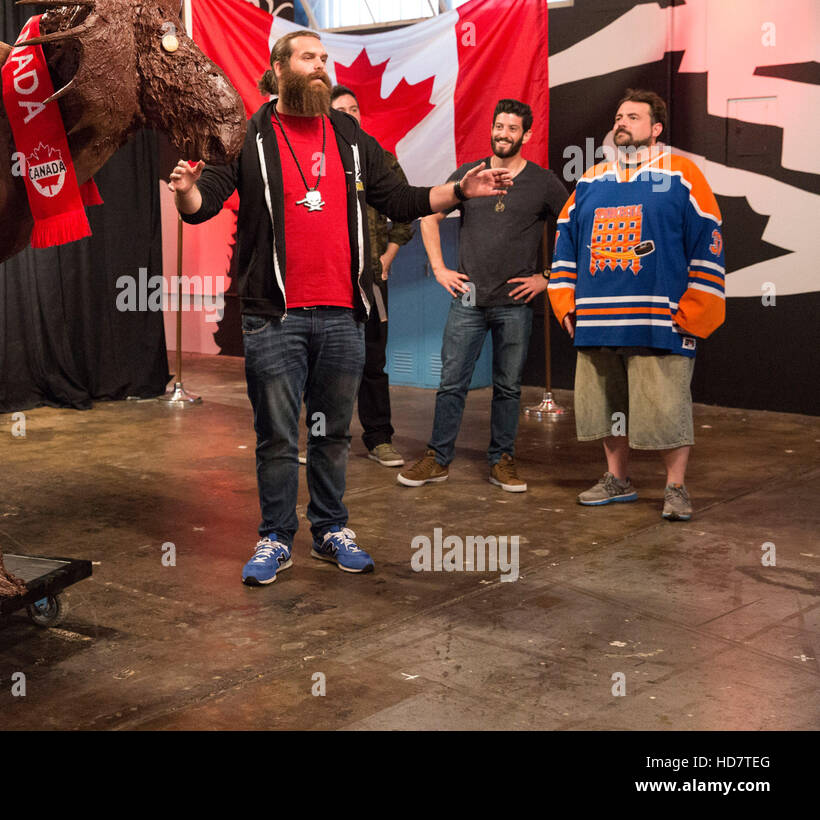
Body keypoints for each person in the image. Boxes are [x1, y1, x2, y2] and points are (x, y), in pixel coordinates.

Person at [165, 30, 512, 585]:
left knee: (329, 434)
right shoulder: (248, 135)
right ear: (279, 68)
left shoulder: (349, 136)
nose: (323, 66)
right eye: (310, 58)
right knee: (278, 436)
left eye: (326, 58)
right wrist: (185, 189)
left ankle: (330, 529)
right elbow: (202, 204)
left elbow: (397, 199)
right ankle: (275, 538)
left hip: (342, 314)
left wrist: (459, 193)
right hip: (273, 317)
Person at [548, 89, 724, 521]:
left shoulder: (682, 174)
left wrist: (697, 306)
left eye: (633, 116)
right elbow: (565, 243)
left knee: (667, 408)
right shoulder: (589, 181)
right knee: (608, 408)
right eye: (619, 115)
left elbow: (710, 238)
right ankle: (617, 479)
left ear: (656, 128)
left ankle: (676, 487)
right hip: (598, 320)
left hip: (658, 318)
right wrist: (566, 303)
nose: (622, 122)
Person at [398, 99, 567, 493]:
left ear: (526, 135)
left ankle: (502, 460)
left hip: (515, 304)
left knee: (508, 387)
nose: (502, 134)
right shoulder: (470, 174)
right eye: (498, 126)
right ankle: (438, 459)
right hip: (468, 302)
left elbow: (575, 226)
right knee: (451, 382)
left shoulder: (542, 182)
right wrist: (440, 269)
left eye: (511, 128)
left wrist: (548, 277)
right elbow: (429, 216)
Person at [330, 85, 413, 467]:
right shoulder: (320, 160)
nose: (349, 114)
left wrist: (389, 255)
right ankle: (324, 441)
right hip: (328, 280)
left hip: (372, 282)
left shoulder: (379, 157)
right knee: (325, 364)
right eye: (340, 109)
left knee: (372, 361)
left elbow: (405, 209)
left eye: (354, 107)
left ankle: (379, 439)